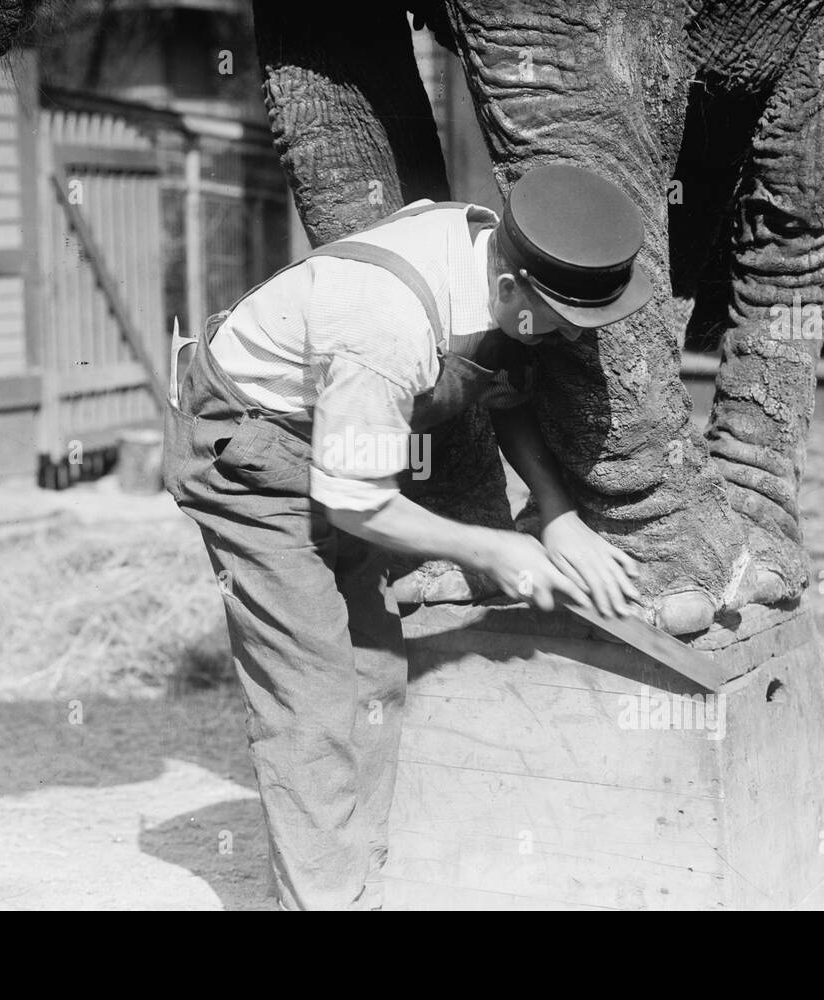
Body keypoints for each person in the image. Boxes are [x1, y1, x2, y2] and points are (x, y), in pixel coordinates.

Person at [162, 163, 651, 909]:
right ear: (514, 290)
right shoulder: (384, 324)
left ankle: (359, 877)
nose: (560, 339)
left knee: (378, 670)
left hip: (335, 441)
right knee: (314, 694)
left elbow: (503, 376)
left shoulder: (497, 260)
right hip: (249, 456)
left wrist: (552, 509)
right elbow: (357, 501)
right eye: (556, 320)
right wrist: (493, 547)